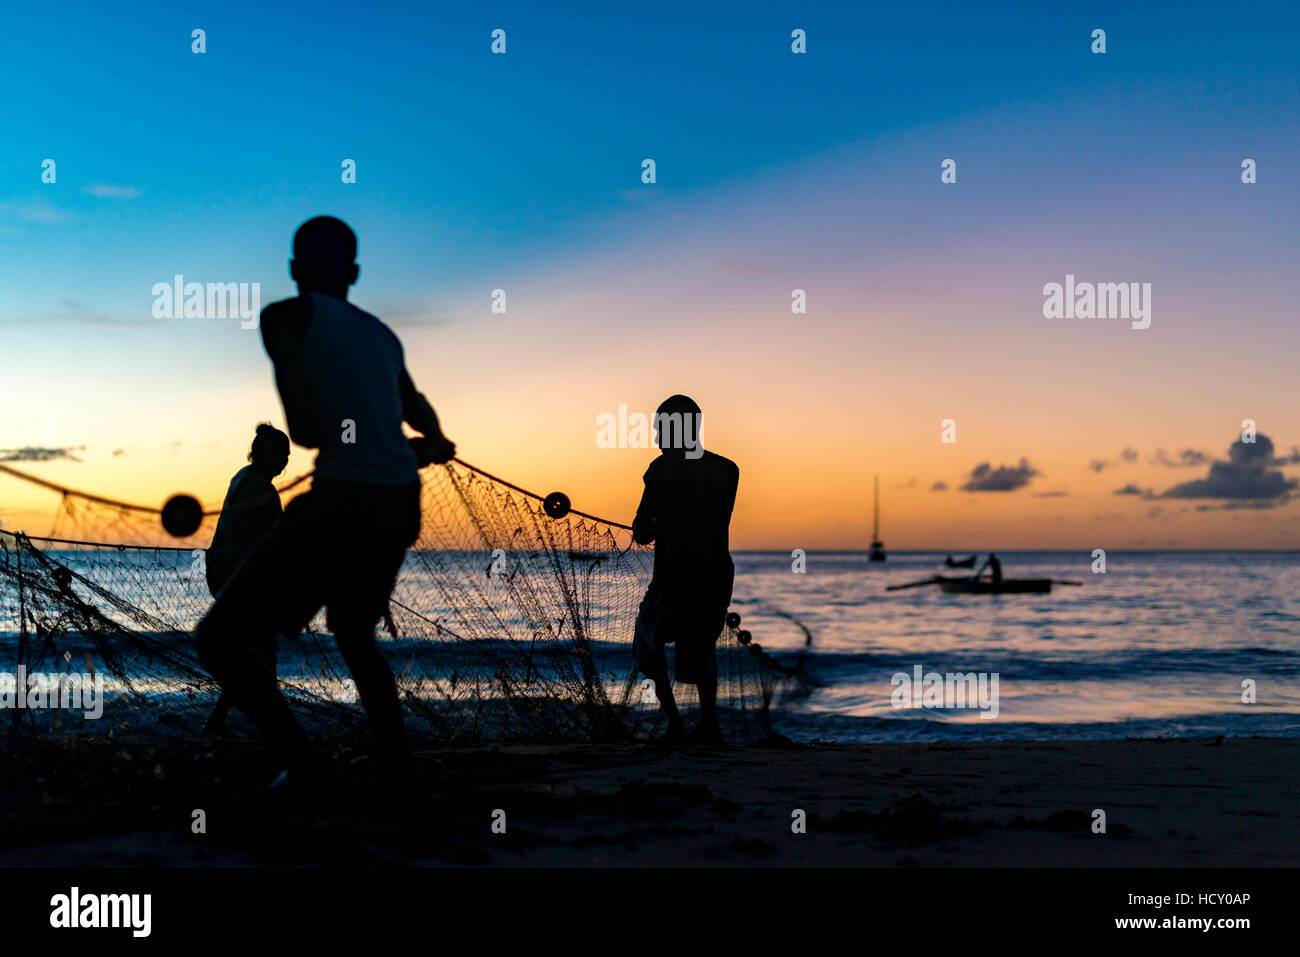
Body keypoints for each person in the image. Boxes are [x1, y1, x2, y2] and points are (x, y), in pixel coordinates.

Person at [195, 215, 455, 790]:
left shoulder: (282, 318)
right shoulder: (383, 334)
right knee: (355, 635)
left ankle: (303, 765)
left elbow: (308, 431)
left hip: (343, 498)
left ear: (292, 270)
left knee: (216, 639)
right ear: (355, 273)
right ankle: (398, 770)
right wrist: (433, 442)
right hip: (398, 504)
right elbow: (418, 408)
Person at [631, 395, 739, 744]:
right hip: (715, 576)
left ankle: (675, 726)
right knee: (702, 649)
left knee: (649, 641)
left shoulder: (660, 470)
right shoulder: (727, 471)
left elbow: (642, 531)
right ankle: (710, 726)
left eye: (660, 428)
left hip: (674, 577)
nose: (656, 437)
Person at [201, 422, 290, 736]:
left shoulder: (241, 476)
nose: (286, 461)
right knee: (261, 653)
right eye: (283, 454)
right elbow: (278, 541)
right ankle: (274, 727)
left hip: (221, 573)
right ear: (269, 454)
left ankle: (219, 720)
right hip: (239, 579)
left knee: (251, 651)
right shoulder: (263, 489)